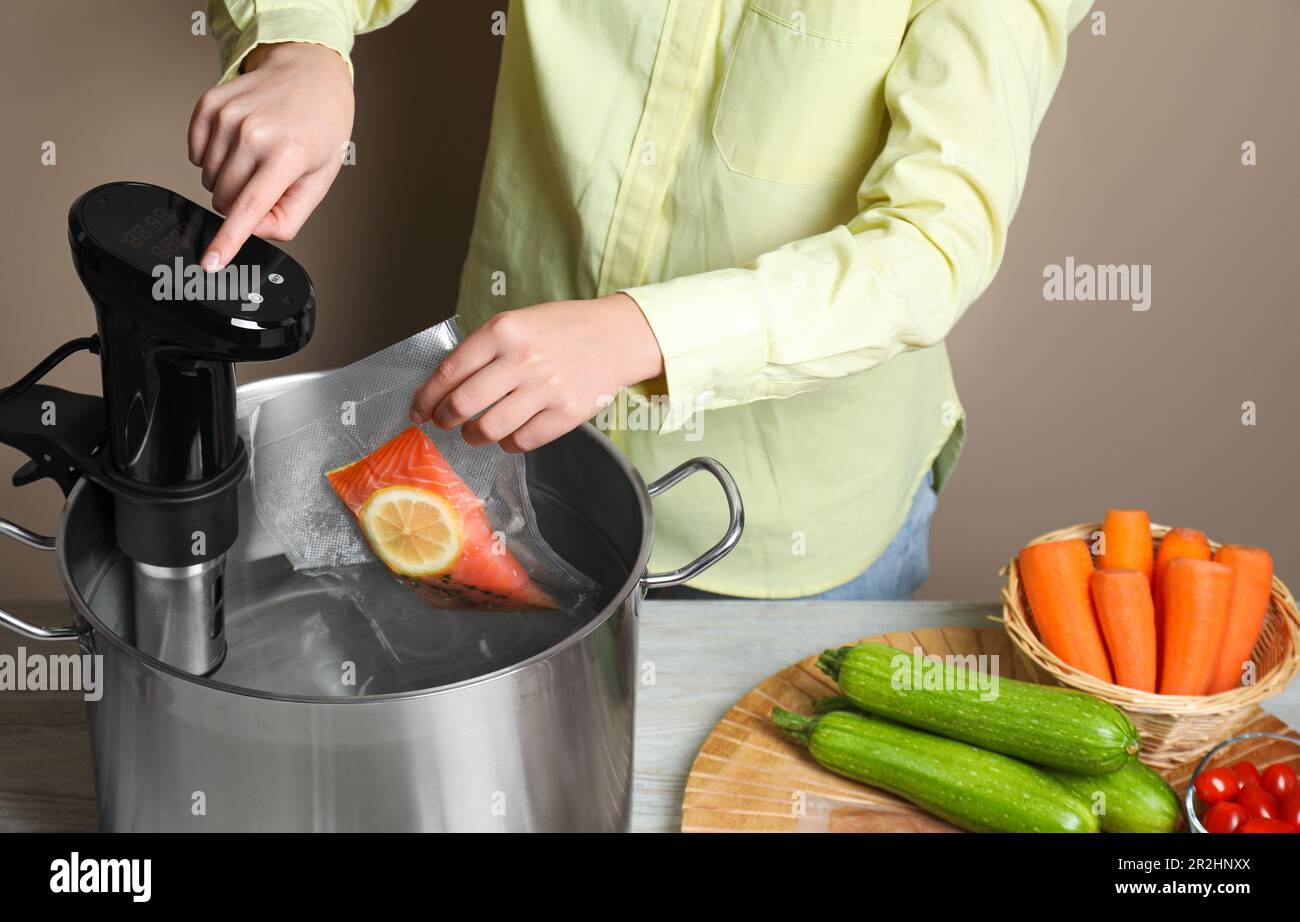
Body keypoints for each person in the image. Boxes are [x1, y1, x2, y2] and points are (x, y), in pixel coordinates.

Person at [193, 0, 1093, 601]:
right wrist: (302, 43)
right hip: (509, 470)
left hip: (789, 540)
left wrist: (646, 335)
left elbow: (932, 247)